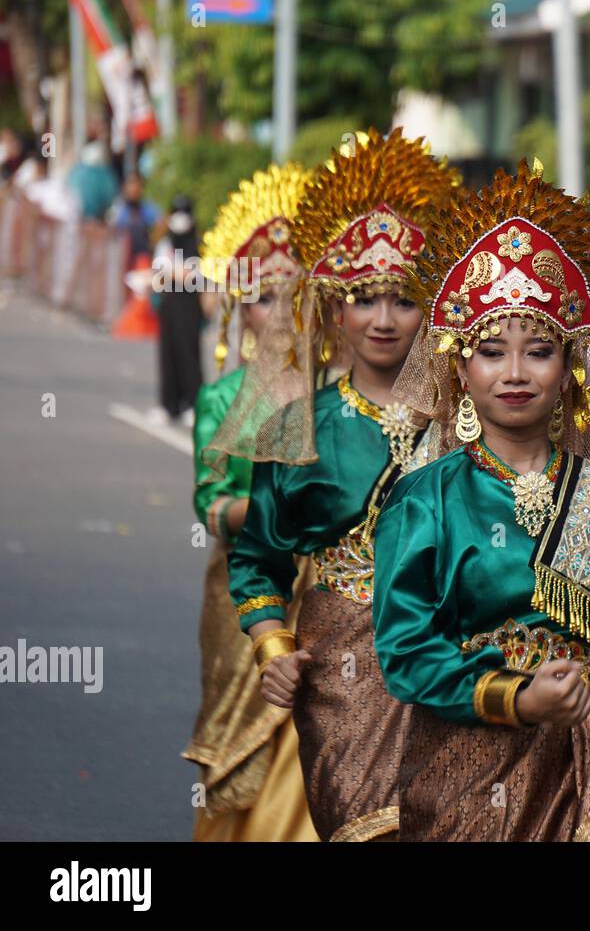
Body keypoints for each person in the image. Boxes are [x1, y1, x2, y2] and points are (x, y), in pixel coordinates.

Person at [371, 160, 590, 841]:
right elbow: (405, 650)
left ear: (571, 367)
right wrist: (517, 697)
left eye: (540, 351)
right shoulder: (426, 499)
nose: (516, 372)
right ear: (459, 366)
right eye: (492, 351)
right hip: (466, 775)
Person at [218, 129, 460, 842]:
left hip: (452, 663)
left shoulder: (472, 423)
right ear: (332, 306)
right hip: (340, 675)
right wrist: (271, 648)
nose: (383, 320)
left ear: (433, 308)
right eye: (363, 298)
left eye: (403, 299)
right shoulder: (299, 429)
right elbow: (257, 561)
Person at [185, 163, 318, 842]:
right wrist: (277, 518)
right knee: (238, 758)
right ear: (240, 309)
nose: (282, 312)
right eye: (265, 295)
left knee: (314, 755)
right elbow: (211, 502)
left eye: (298, 292)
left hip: (326, 597)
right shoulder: (220, 400)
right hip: (245, 595)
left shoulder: (339, 401)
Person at [151, 195, 206, 425]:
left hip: (190, 304)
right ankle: (168, 405)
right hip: (169, 303)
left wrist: (176, 273)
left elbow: (196, 275)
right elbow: (160, 272)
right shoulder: (165, 244)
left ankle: (194, 403)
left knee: (189, 353)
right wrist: (175, 274)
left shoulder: (200, 245)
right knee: (168, 352)